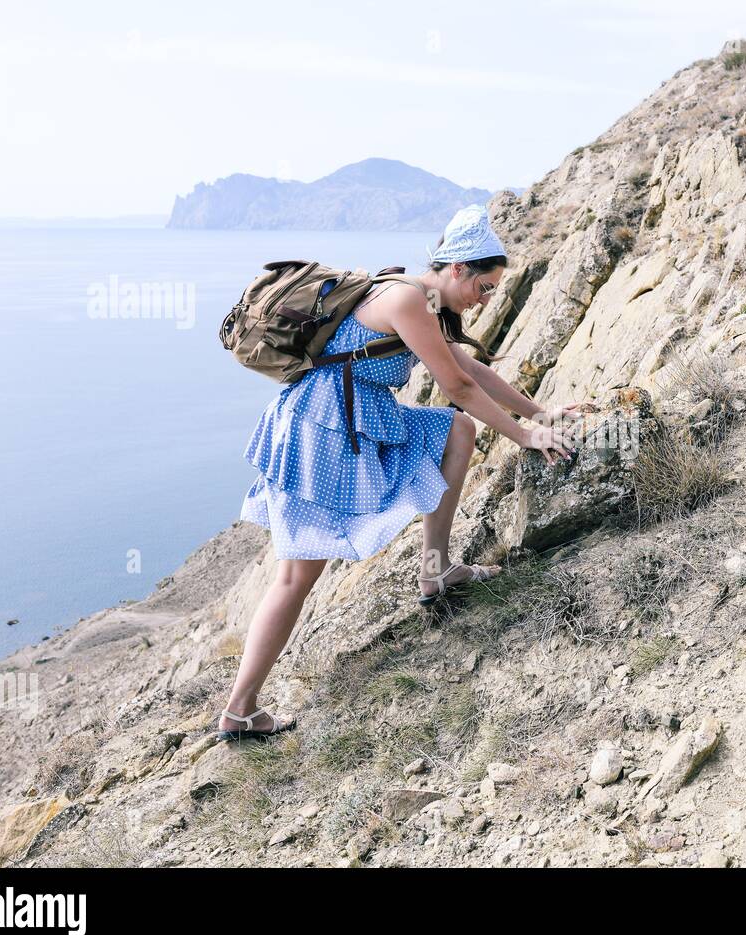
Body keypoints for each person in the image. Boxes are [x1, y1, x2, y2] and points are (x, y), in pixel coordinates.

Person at [216, 204, 596, 740]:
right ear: (457, 270)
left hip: (350, 419)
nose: (485, 300)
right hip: (320, 432)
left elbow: (470, 369)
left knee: (455, 431)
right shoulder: (406, 298)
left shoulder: (422, 298)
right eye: (484, 287)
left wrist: (539, 413)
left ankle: (435, 570)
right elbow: (457, 388)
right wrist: (526, 437)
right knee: (297, 576)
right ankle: (241, 707)